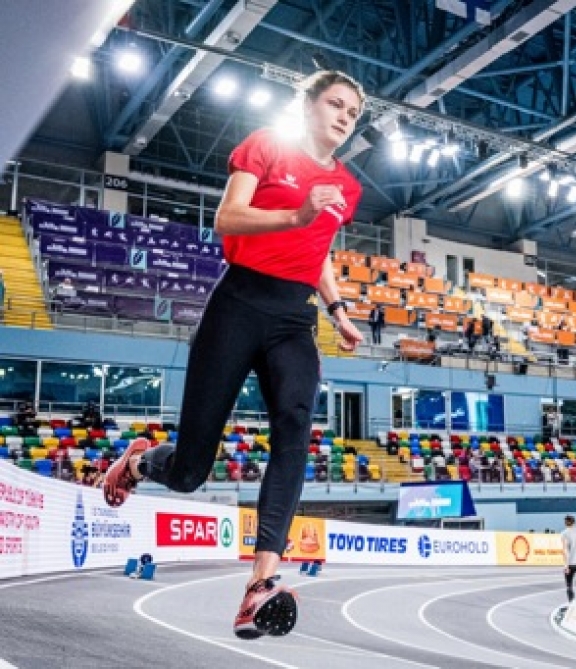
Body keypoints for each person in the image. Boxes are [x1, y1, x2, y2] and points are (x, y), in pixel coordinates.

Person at [100, 69, 366, 641]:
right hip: (238, 304)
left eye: (354, 112)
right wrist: (297, 213)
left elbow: (317, 247)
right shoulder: (266, 146)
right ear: (309, 105)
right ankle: (144, 461)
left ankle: (259, 585)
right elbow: (227, 218)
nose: (345, 117)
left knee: (295, 428)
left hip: (296, 317)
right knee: (192, 471)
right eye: (336, 104)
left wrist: (339, 308)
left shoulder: (347, 185)